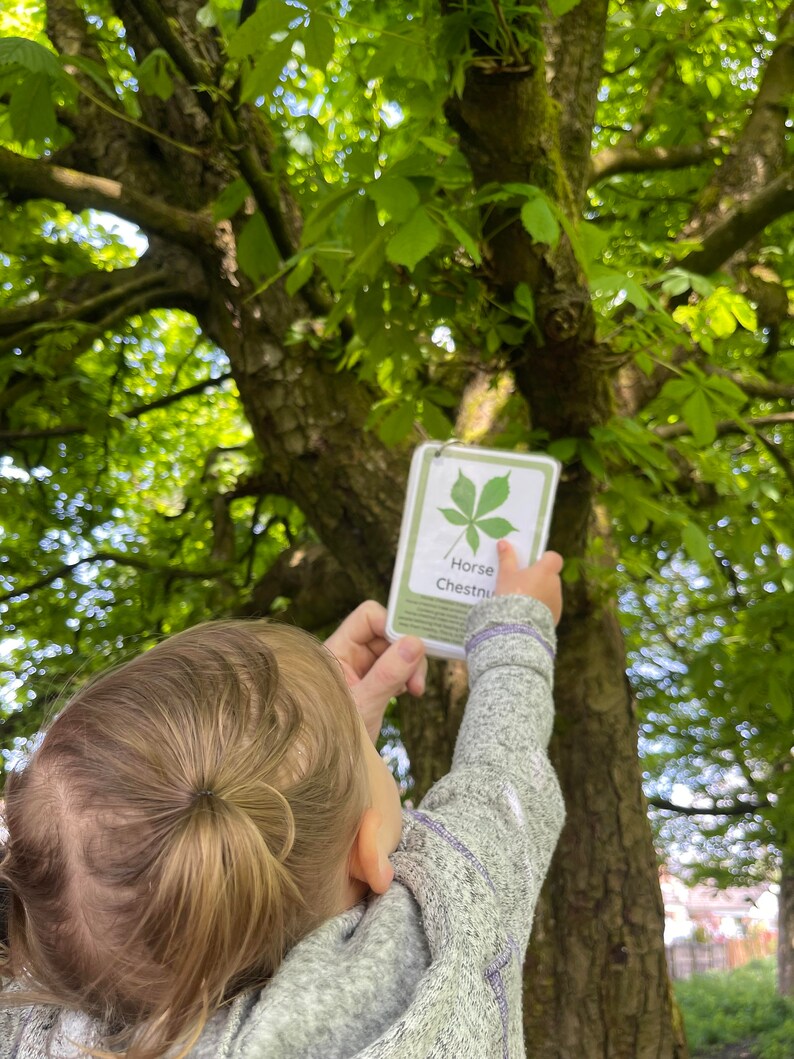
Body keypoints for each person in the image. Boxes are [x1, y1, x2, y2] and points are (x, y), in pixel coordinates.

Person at [0, 541, 565, 1059]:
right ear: (369, 854)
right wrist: (517, 627)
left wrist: (315, 760)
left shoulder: (37, 1023)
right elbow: (504, 775)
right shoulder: (445, 930)